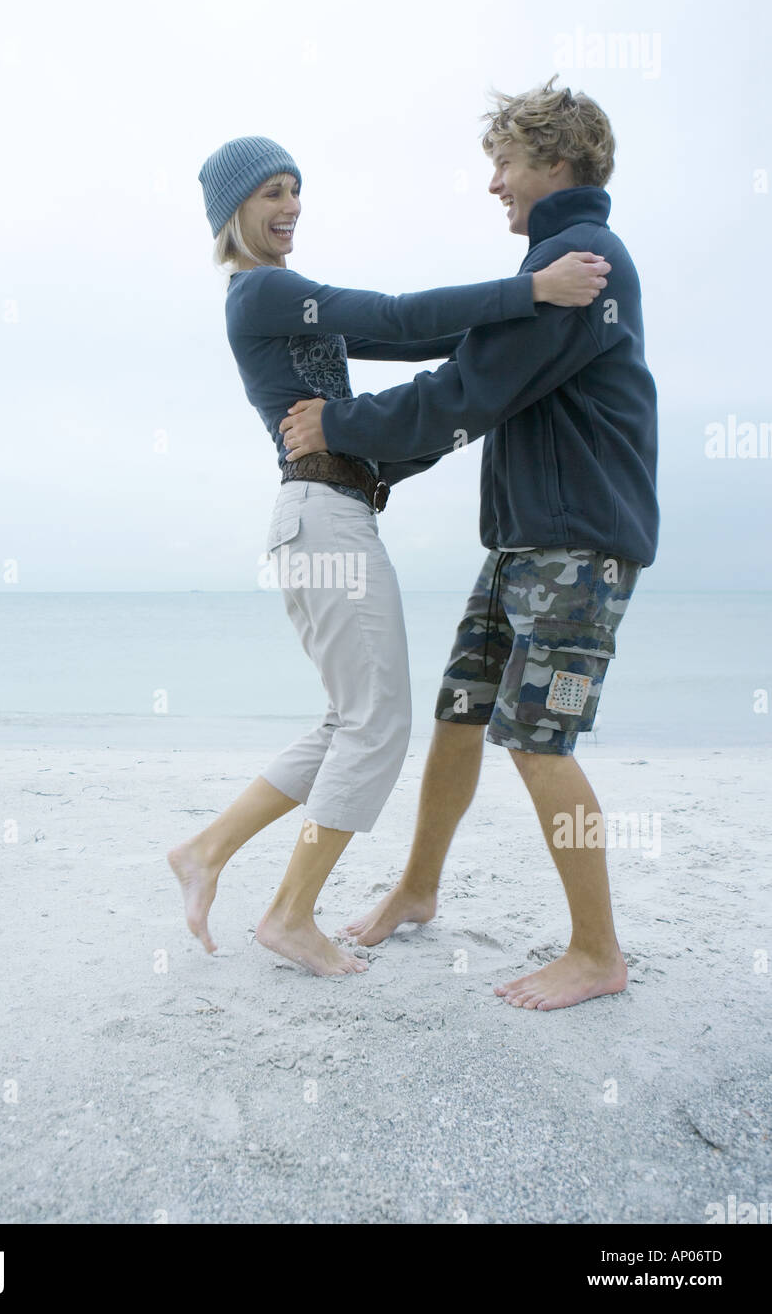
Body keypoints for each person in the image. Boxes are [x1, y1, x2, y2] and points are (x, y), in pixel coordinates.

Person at [168, 134, 610, 977]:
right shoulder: (263, 293)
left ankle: (205, 849)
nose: (290, 205)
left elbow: (413, 345)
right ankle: (291, 916)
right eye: (269, 193)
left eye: (296, 187)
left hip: (328, 517)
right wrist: (534, 287)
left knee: (348, 721)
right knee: (376, 726)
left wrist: (511, 329)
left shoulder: (282, 298)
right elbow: (396, 314)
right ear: (232, 213)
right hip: (322, 519)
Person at [280, 78, 659, 1009]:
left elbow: (465, 393)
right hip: (526, 545)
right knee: (460, 717)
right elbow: (459, 360)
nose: (493, 181)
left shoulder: (585, 259)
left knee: (537, 740)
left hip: (576, 550)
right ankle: (416, 886)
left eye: (505, 161)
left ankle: (597, 952)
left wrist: (338, 423)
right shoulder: (552, 263)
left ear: (554, 158)